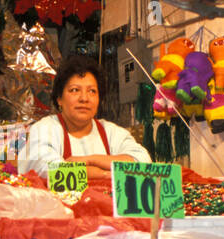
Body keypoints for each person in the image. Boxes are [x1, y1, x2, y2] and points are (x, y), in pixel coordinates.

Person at [18, 53, 150, 178]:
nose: (84, 98)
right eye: (75, 90)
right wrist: (106, 174)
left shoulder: (111, 132)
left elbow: (143, 163)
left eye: (92, 91)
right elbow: (49, 169)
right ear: (59, 98)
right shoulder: (45, 128)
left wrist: (90, 160)